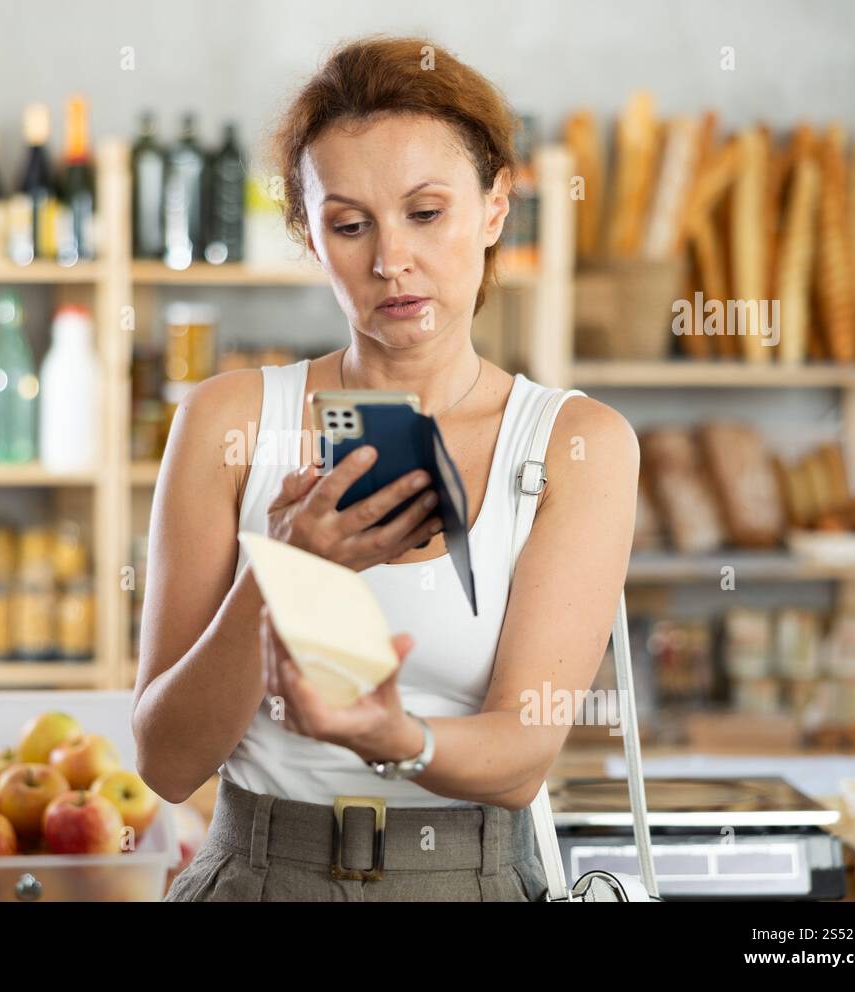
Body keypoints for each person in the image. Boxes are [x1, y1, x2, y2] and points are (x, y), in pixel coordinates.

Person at [134, 35, 638, 901]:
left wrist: (396, 735)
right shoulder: (227, 421)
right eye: (349, 223)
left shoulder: (573, 444)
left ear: (494, 209)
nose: (389, 259)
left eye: (426, 212)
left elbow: (521, 758)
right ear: (310, 236)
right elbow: (169, 763)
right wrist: (284, 574)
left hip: (472, 878)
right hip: (257, 875)